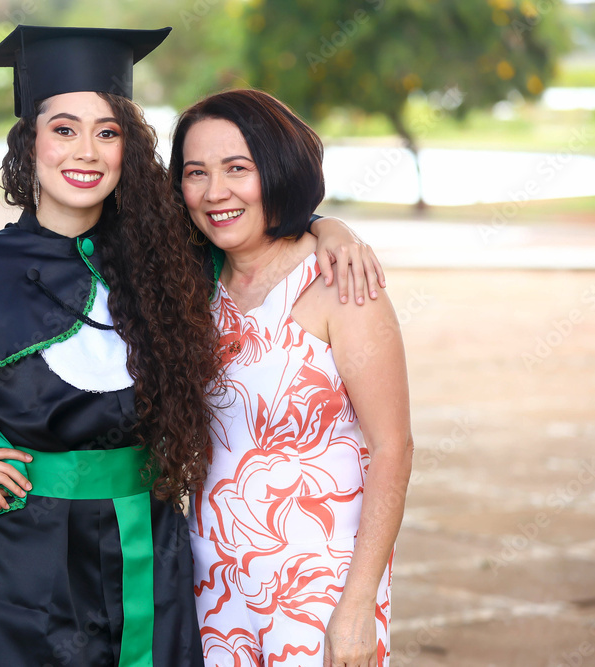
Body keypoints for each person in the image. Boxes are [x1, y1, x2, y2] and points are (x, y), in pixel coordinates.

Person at [0, 27, 381, 667]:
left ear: (129, 147)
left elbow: (242, 216)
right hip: (24, 561)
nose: (85, 152)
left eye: (108, 132)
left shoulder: (163, 256)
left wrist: (327, 228)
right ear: (27, 141)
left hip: (154, 547)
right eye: (63, 129)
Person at [170, 89, 414, 667]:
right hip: (212, 581)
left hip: (318, 583)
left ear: (277, 169)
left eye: (238, 168)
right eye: (195, 173)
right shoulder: (188, 282)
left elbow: (393, 447)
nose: (215, 192)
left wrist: (358, 606)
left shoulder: (339, 282)